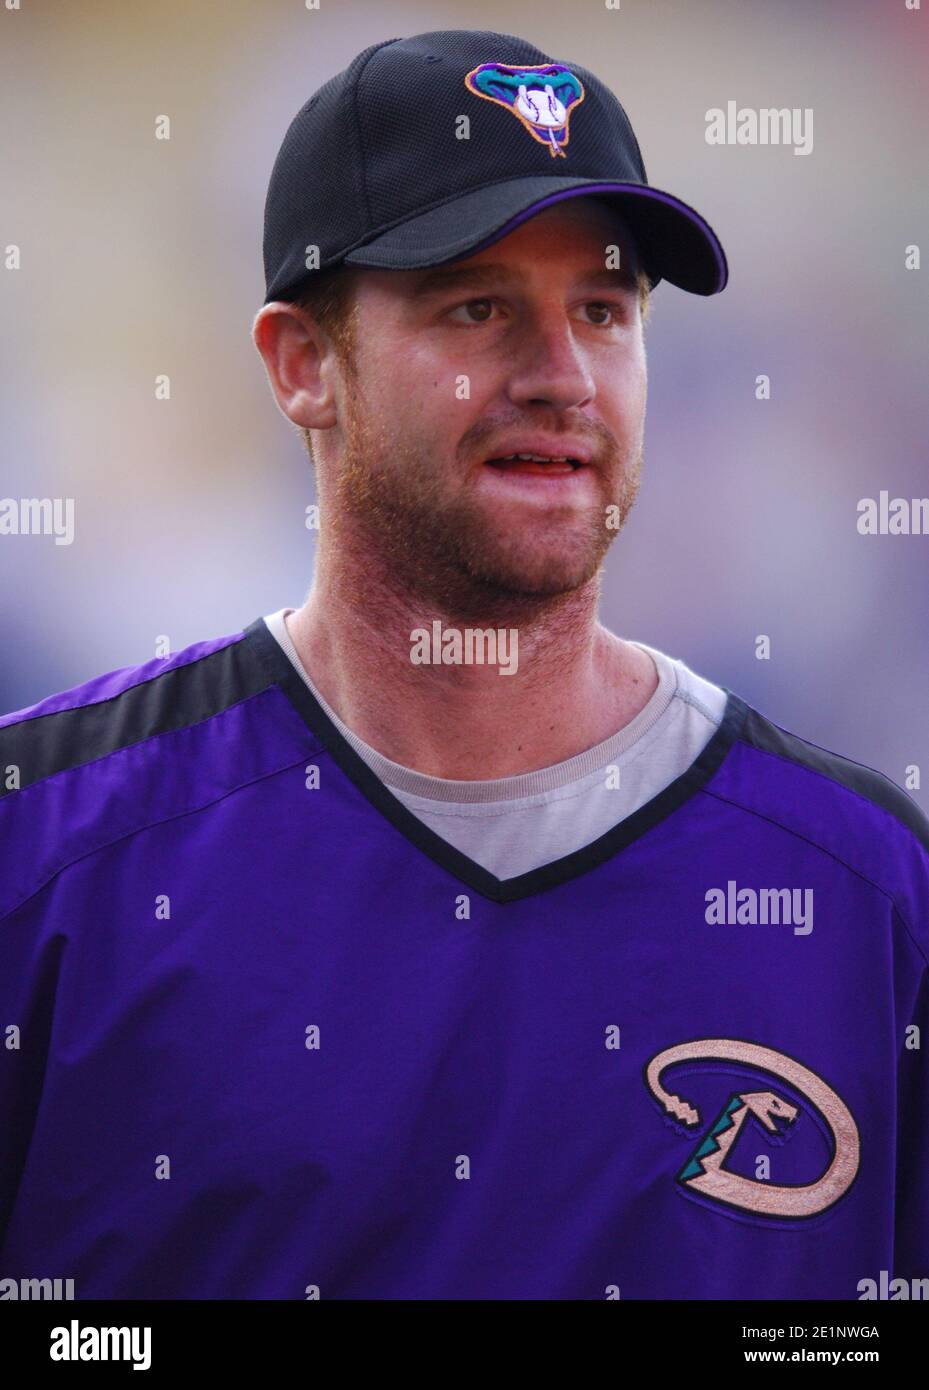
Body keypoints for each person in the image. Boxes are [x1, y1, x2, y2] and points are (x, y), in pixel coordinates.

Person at [1, 29, 926, 1301]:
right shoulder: (48, 842)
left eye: (602, 311)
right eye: (477, 307)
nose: (559, 376)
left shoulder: (865, 885)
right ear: (301, 364)